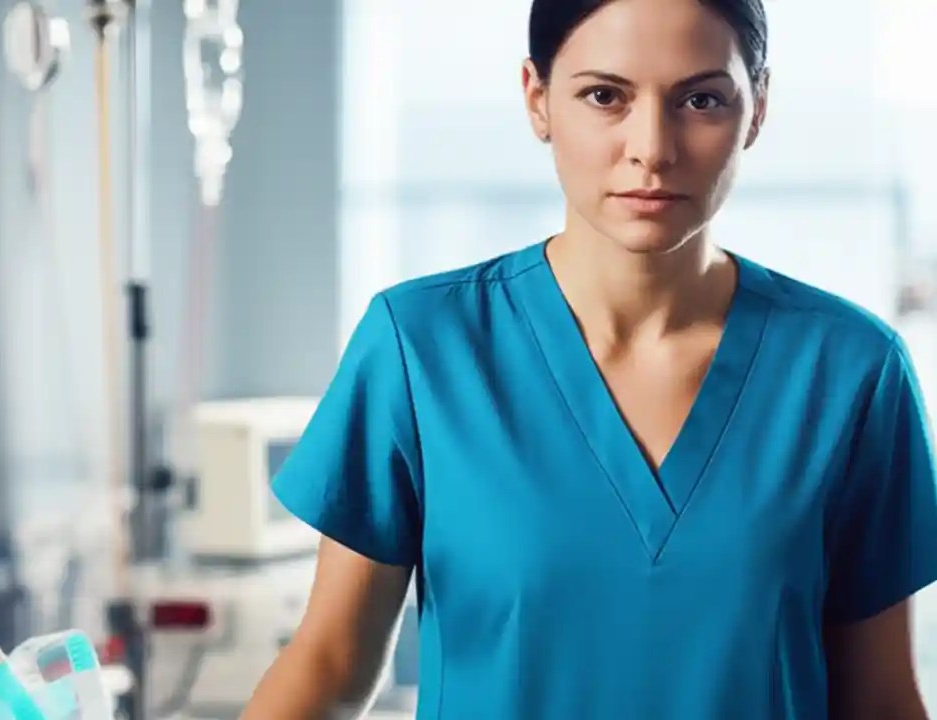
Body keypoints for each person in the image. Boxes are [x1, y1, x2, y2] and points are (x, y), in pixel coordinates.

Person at [242, 0, 937, 717]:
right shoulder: (421, 347)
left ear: (756, 108)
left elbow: (880, 699)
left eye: (700, 100)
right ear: (537, 99)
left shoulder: (852, 371)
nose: (652, 148)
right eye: (605, 96)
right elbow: (329, 664)